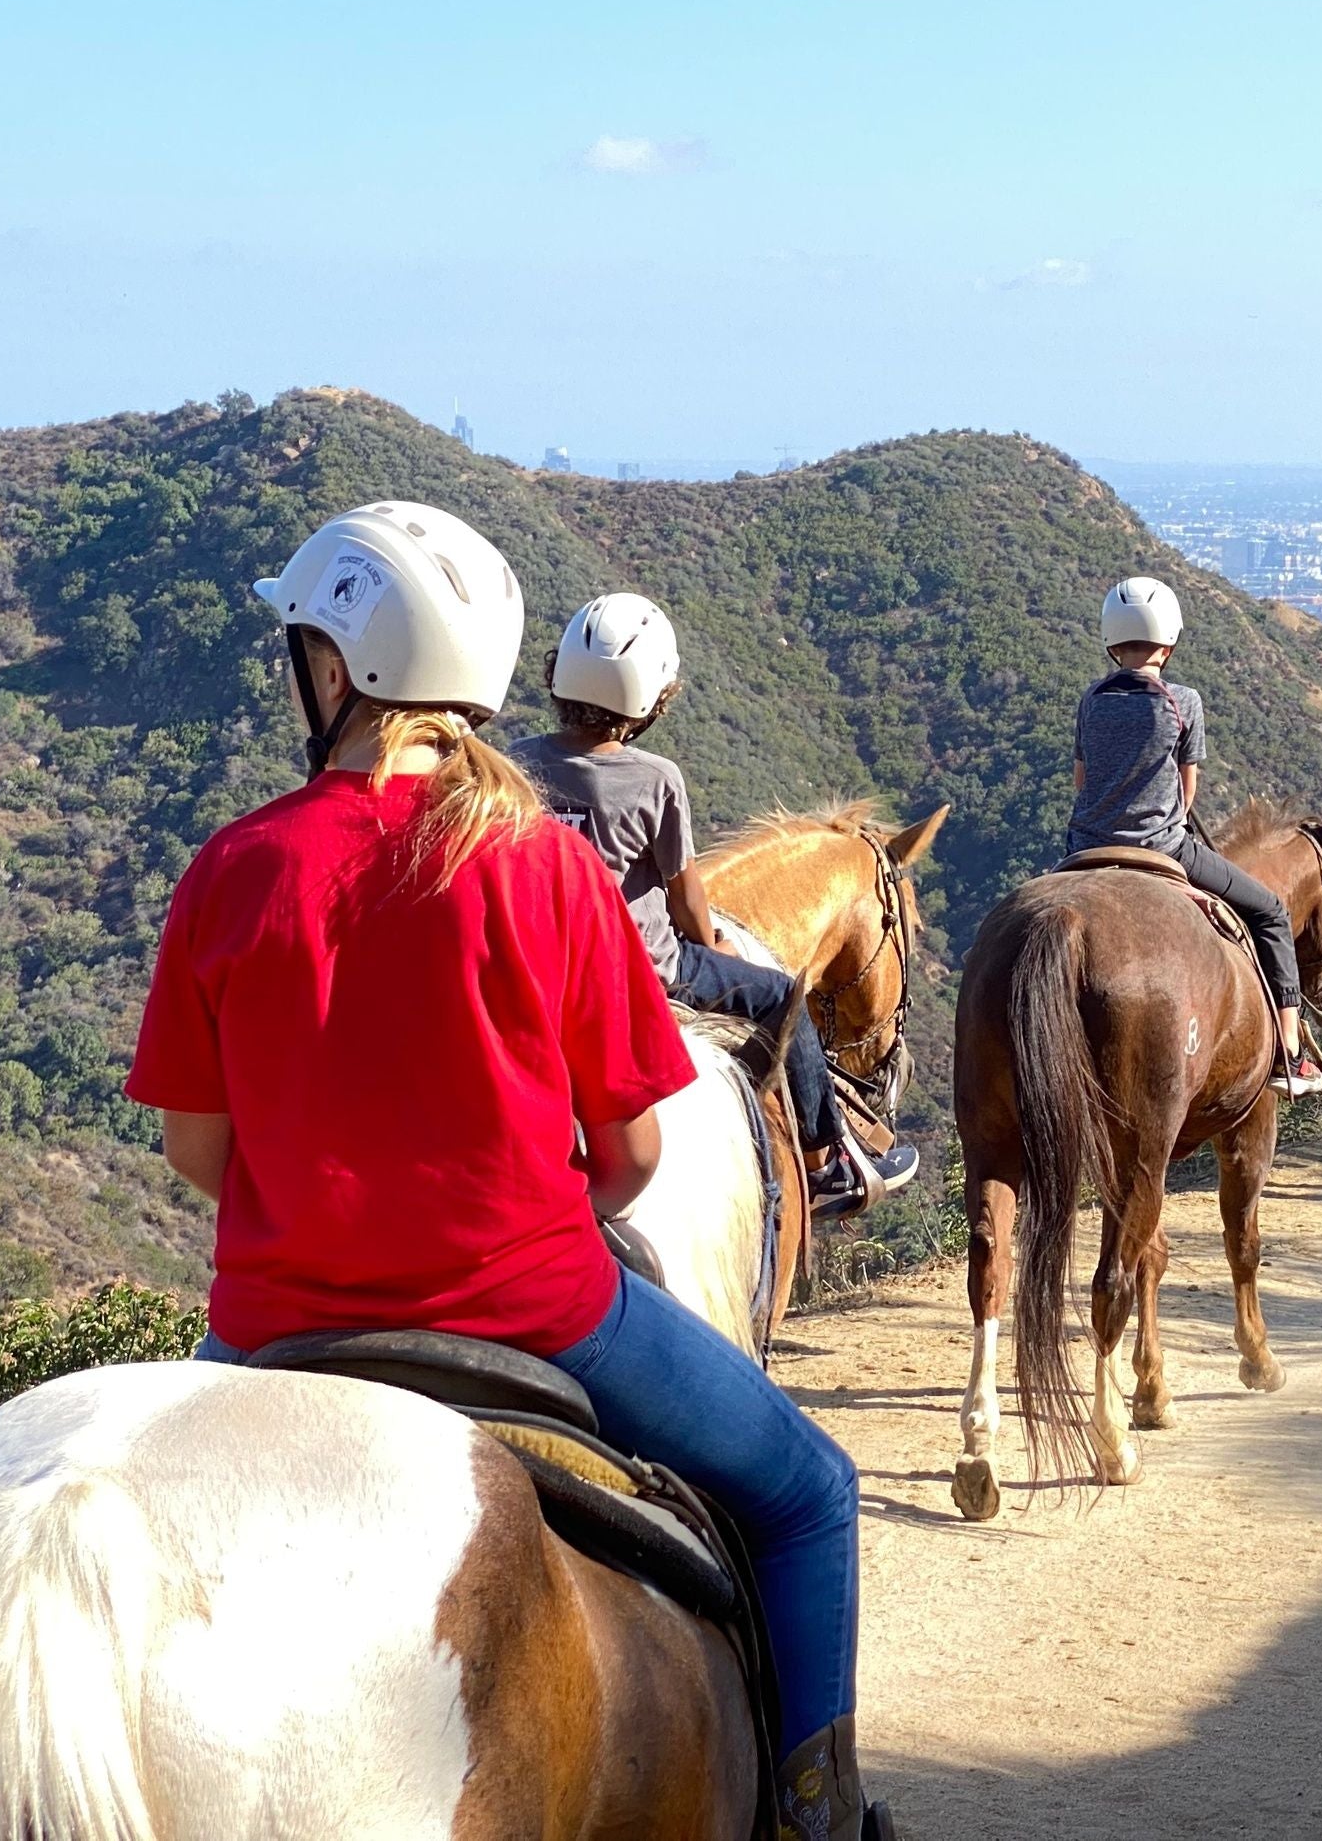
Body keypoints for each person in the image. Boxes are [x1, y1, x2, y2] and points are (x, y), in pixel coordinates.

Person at [125, 501, 883, 1841]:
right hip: (540, 1308)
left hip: (274, 1329)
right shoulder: (545, 864)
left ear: (343, 667)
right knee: (809, 1490)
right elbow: (638, 1148)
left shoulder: (234, 868)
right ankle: (819, 1814)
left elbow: (198, 1149)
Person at [513, 593, 918, 1214]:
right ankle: (823, 1162)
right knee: (784, 997)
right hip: (645, 969)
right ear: (650, 699)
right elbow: (684, 897)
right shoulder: (656, 779)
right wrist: (714, 941)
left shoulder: (515, 764)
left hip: (536, 967)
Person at [1070, 575, 1322, 1094]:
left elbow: (1082, 781)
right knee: (1272, 912)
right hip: (1163, 846)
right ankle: (1290, 1053)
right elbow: (1187, 792)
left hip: (1086, 847)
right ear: (1170, 641)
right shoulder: (1182, 700)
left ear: (1110, 639)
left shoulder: (1091, 698)